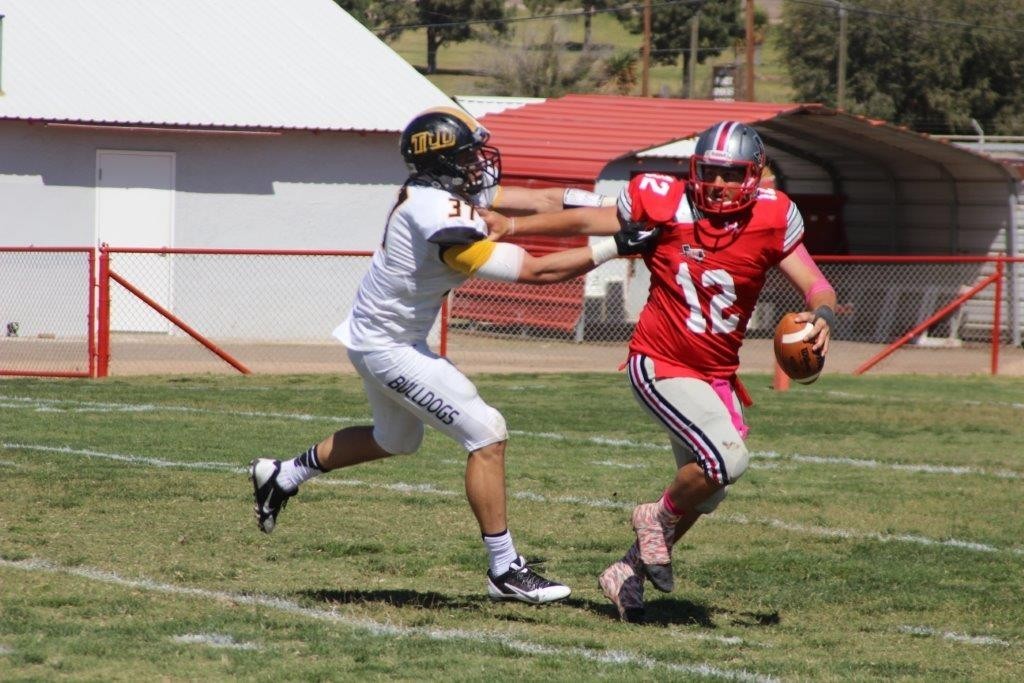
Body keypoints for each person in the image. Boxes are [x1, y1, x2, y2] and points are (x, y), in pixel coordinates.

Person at [249, 106, 652, 604]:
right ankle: (504, 569)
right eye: (467, 156)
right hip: (389, 346)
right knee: (487, 433)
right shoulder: (437, 213)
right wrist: (615, 246)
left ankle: (283, 474)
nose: (478, 165)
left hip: (379, 337)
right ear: (442, 161)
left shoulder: (444, 193)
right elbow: (537, 272)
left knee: (395, 440)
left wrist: (616, 204)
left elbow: (544, 199)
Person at [482, 121, 837, 621]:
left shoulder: (774, 215)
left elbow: (816, 284)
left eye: (731, 174)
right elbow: (587, 219)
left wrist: (823, 315)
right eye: (709, 172)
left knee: (709, 489)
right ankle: (652, 517)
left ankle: (626, 571)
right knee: (726, 460)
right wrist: (515, 227)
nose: (717, 184)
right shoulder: (665, 201)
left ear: (754, 175)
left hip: (716, 374)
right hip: (661, 362)